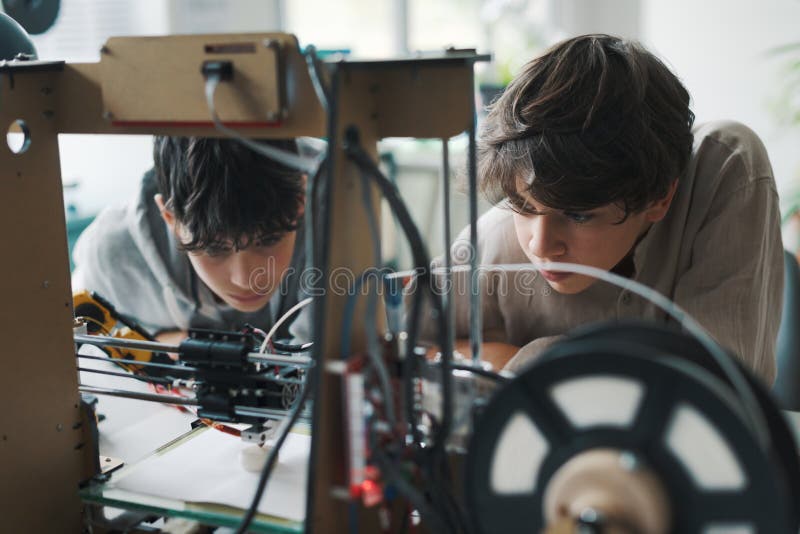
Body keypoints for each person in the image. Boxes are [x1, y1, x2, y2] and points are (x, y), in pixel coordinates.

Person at [432, 34, 782, 385]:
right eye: (522, 204)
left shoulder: (725, 166)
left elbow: (717, 395)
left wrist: (538, 364)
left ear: (659, 197)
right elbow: (401, 353)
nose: (540, 245)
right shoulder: (489, 246)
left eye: (578, 214)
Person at [72, 136, 307, 346]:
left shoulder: (339, 214)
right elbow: (88, 338)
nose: (245, 280)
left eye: (270, 239)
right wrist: (159, 345)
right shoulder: (112, 256)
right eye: (214, 248)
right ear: (169, 218)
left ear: (301, 201)